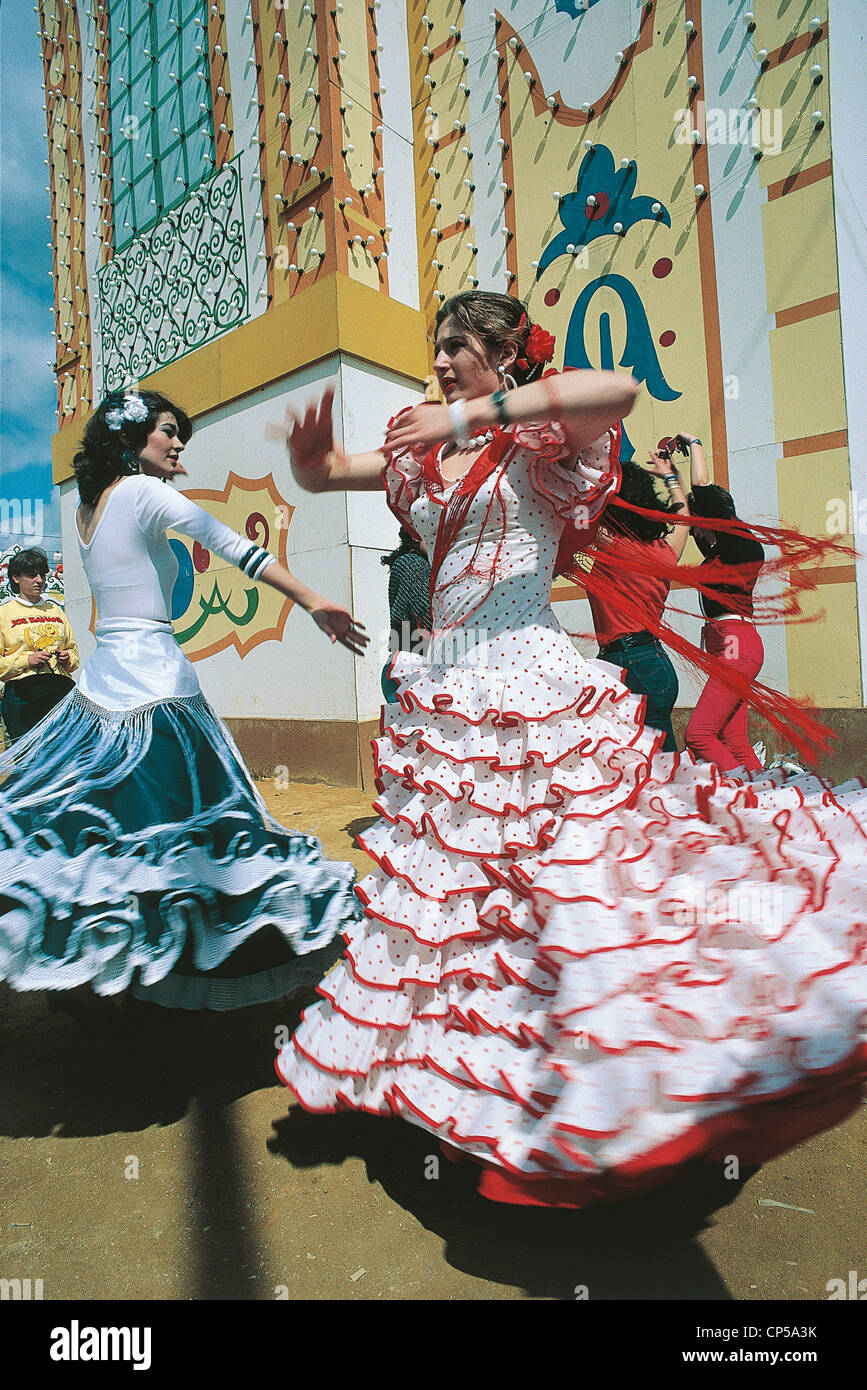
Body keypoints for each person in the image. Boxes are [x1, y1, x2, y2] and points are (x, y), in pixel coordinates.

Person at [272, 290, 866, 1210]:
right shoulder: (422, 453)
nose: (439, 363)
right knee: (470, 900)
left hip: (529, 680)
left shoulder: (537, 443)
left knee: (564, 879)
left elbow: (617, 389)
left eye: (458, 348)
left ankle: (606, 1078)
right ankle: (481, 1082)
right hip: (449, 689)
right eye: (436, 349)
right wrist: (310, 467)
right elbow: (333, 476)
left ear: (504, 357)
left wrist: (472, 411)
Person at [0, 389, 368, 1011]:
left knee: (113, 841)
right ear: (130, 437)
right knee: (196, 843)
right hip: (158, 692)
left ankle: (115, 982)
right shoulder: (142, 492)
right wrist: (313, 601)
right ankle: (174, 973)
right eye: (168, 431)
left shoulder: (90, 509)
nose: (178, 445)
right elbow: (235, 547)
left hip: (100, 692)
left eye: (182, 436)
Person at [584, 455, 690, 751]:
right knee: (660, 763)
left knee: (641, 765)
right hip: (654, 663)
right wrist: (670, 479)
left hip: (628, 663)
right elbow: (683, 517)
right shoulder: (667, 551)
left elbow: (578, 511)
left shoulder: (613, 546)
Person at [683, 439, 765, 772]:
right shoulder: (718, 555)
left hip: (736, 646)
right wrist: (669, 474)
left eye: (696, 522)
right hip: (727, 649)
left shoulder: (740, 545)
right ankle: (769, 797)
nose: (694, 532)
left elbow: (703, 493)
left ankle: (745, 798)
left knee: (698, 734)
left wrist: (693, 444)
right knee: (734, 741)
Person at [0, 548, 79, 742]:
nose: (39, 580)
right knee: (27, 759)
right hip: (22, 697)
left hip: (60, 692)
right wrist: (27, 659)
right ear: (16, 578)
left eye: (42, 575)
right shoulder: (5, 614)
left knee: (63, 752)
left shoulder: (56, 611)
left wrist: (67, 657)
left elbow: (74, 654)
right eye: (31, 575)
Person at [380, 527, 432, 702]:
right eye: (430, 536)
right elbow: (422, 610)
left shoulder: (408, 561)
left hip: (404, 665)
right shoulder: (413, 563)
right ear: (417, 538)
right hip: (411, 668)